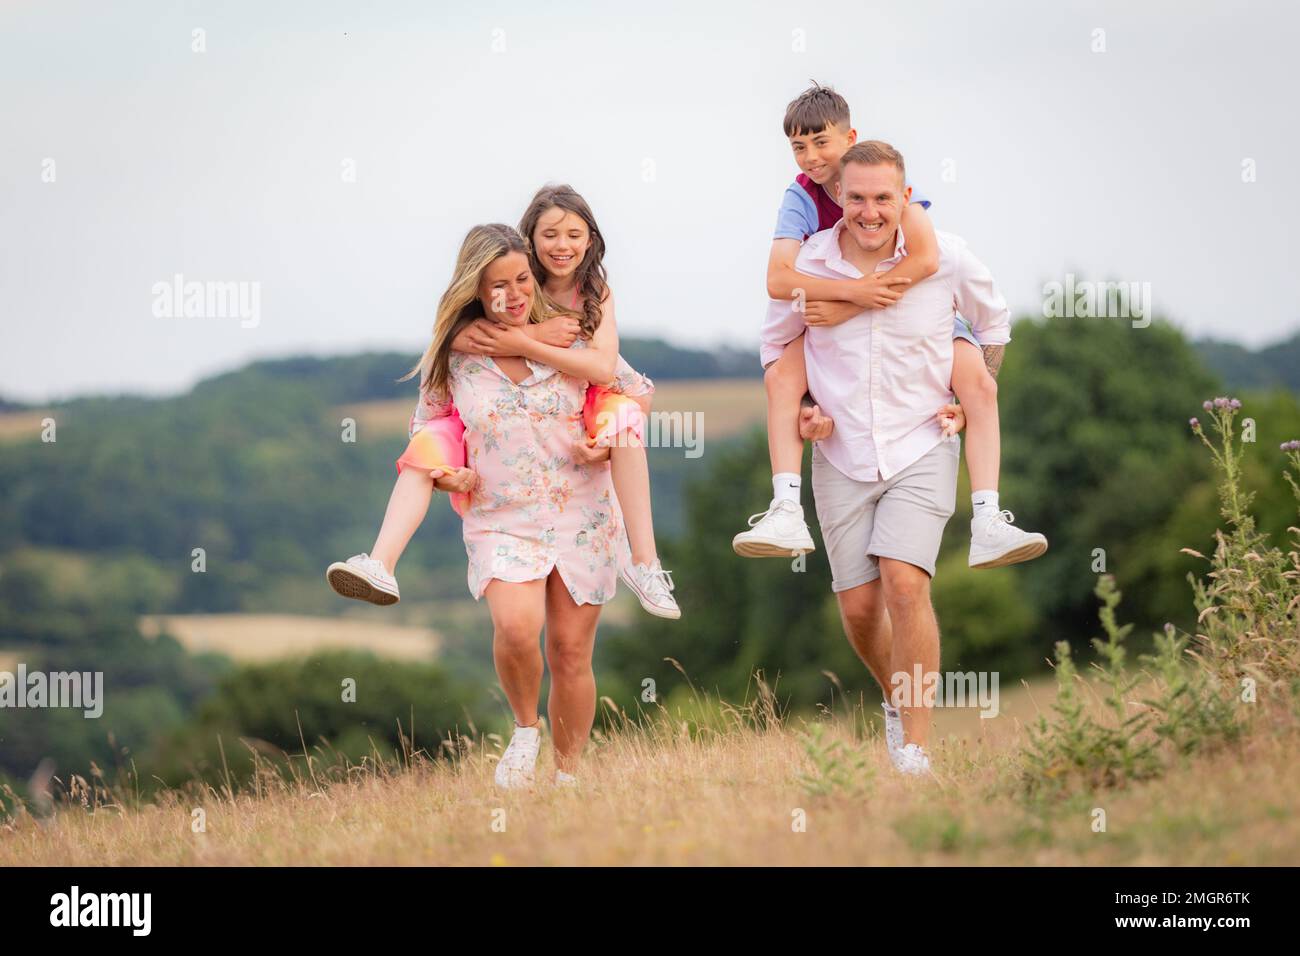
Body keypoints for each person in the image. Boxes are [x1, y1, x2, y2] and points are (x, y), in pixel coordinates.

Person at [760, 142, 1034, 774]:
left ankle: (915, 748)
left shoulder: (947, 258)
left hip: (922, 446)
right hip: (840, 451)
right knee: (859, 610)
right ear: (839, 200)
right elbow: (777, 345)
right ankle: (894, 696)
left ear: (905, 199)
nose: (870, 211)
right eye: (856, 198)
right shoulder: (811, 264)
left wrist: (972, 396)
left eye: (883, 198)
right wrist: (802, 404)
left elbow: (994, 324)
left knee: (905, 584)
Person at [733, 83, 1047, 571]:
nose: (812, 157)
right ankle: (785, 507)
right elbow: (778, 279)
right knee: (781, 377)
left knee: (979, 384)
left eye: (822, 142)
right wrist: (848, 301)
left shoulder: (884, 178)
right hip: (831, 311)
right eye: (799, 146)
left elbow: (924, 259)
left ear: (850, 136)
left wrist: (853, 304)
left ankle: (988, 518)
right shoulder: (801, 195)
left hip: (914, 318)